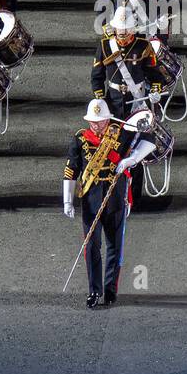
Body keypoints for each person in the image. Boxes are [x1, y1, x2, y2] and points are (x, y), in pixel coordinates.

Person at [63, 98, 156, 308]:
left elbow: (150, 141)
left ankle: (110, 289)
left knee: (115, 246)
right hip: (91, 199)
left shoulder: (121, 132)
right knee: (92, 246)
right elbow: (71, 170)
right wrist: (67, 201)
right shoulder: (80, 139)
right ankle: (94, 291)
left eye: (101, 121)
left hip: (115, 195)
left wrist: (130, 160)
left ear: (108, 119)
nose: (97, 126)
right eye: (93, 122)